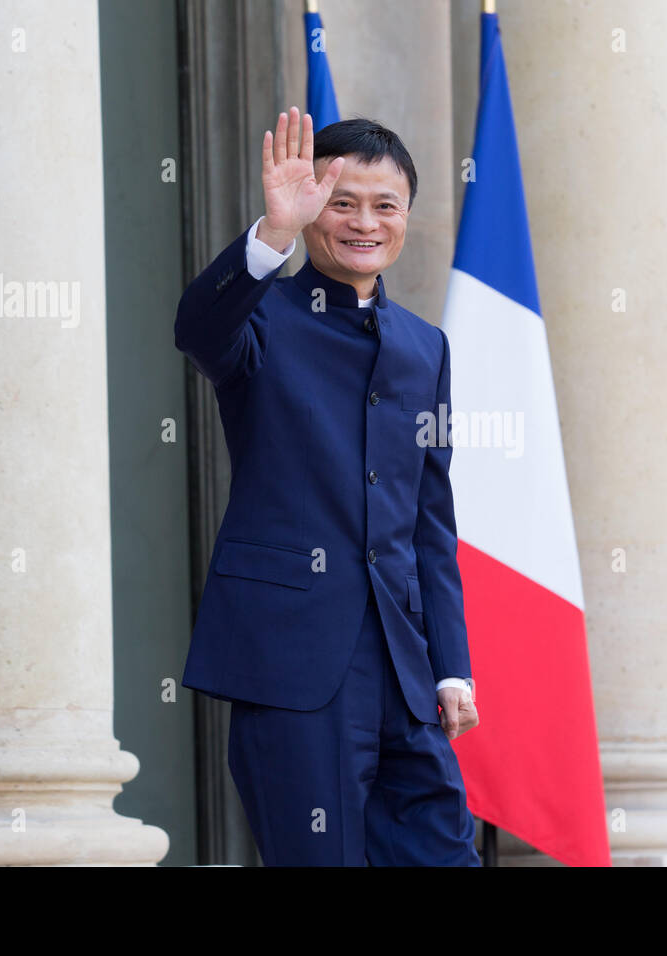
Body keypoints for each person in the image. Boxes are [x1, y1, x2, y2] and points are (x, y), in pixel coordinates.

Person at [174, 106, 480, 866]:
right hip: (295, 665)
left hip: (407, 674)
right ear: (313, 205)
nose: (364, 223)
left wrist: (449, 664)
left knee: (445, 853)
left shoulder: (426, 347)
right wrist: (272, 235)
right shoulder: (264, 319)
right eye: (343, 201)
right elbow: (197, 331)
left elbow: (429, 521)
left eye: (385, 205)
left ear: (407, 216)